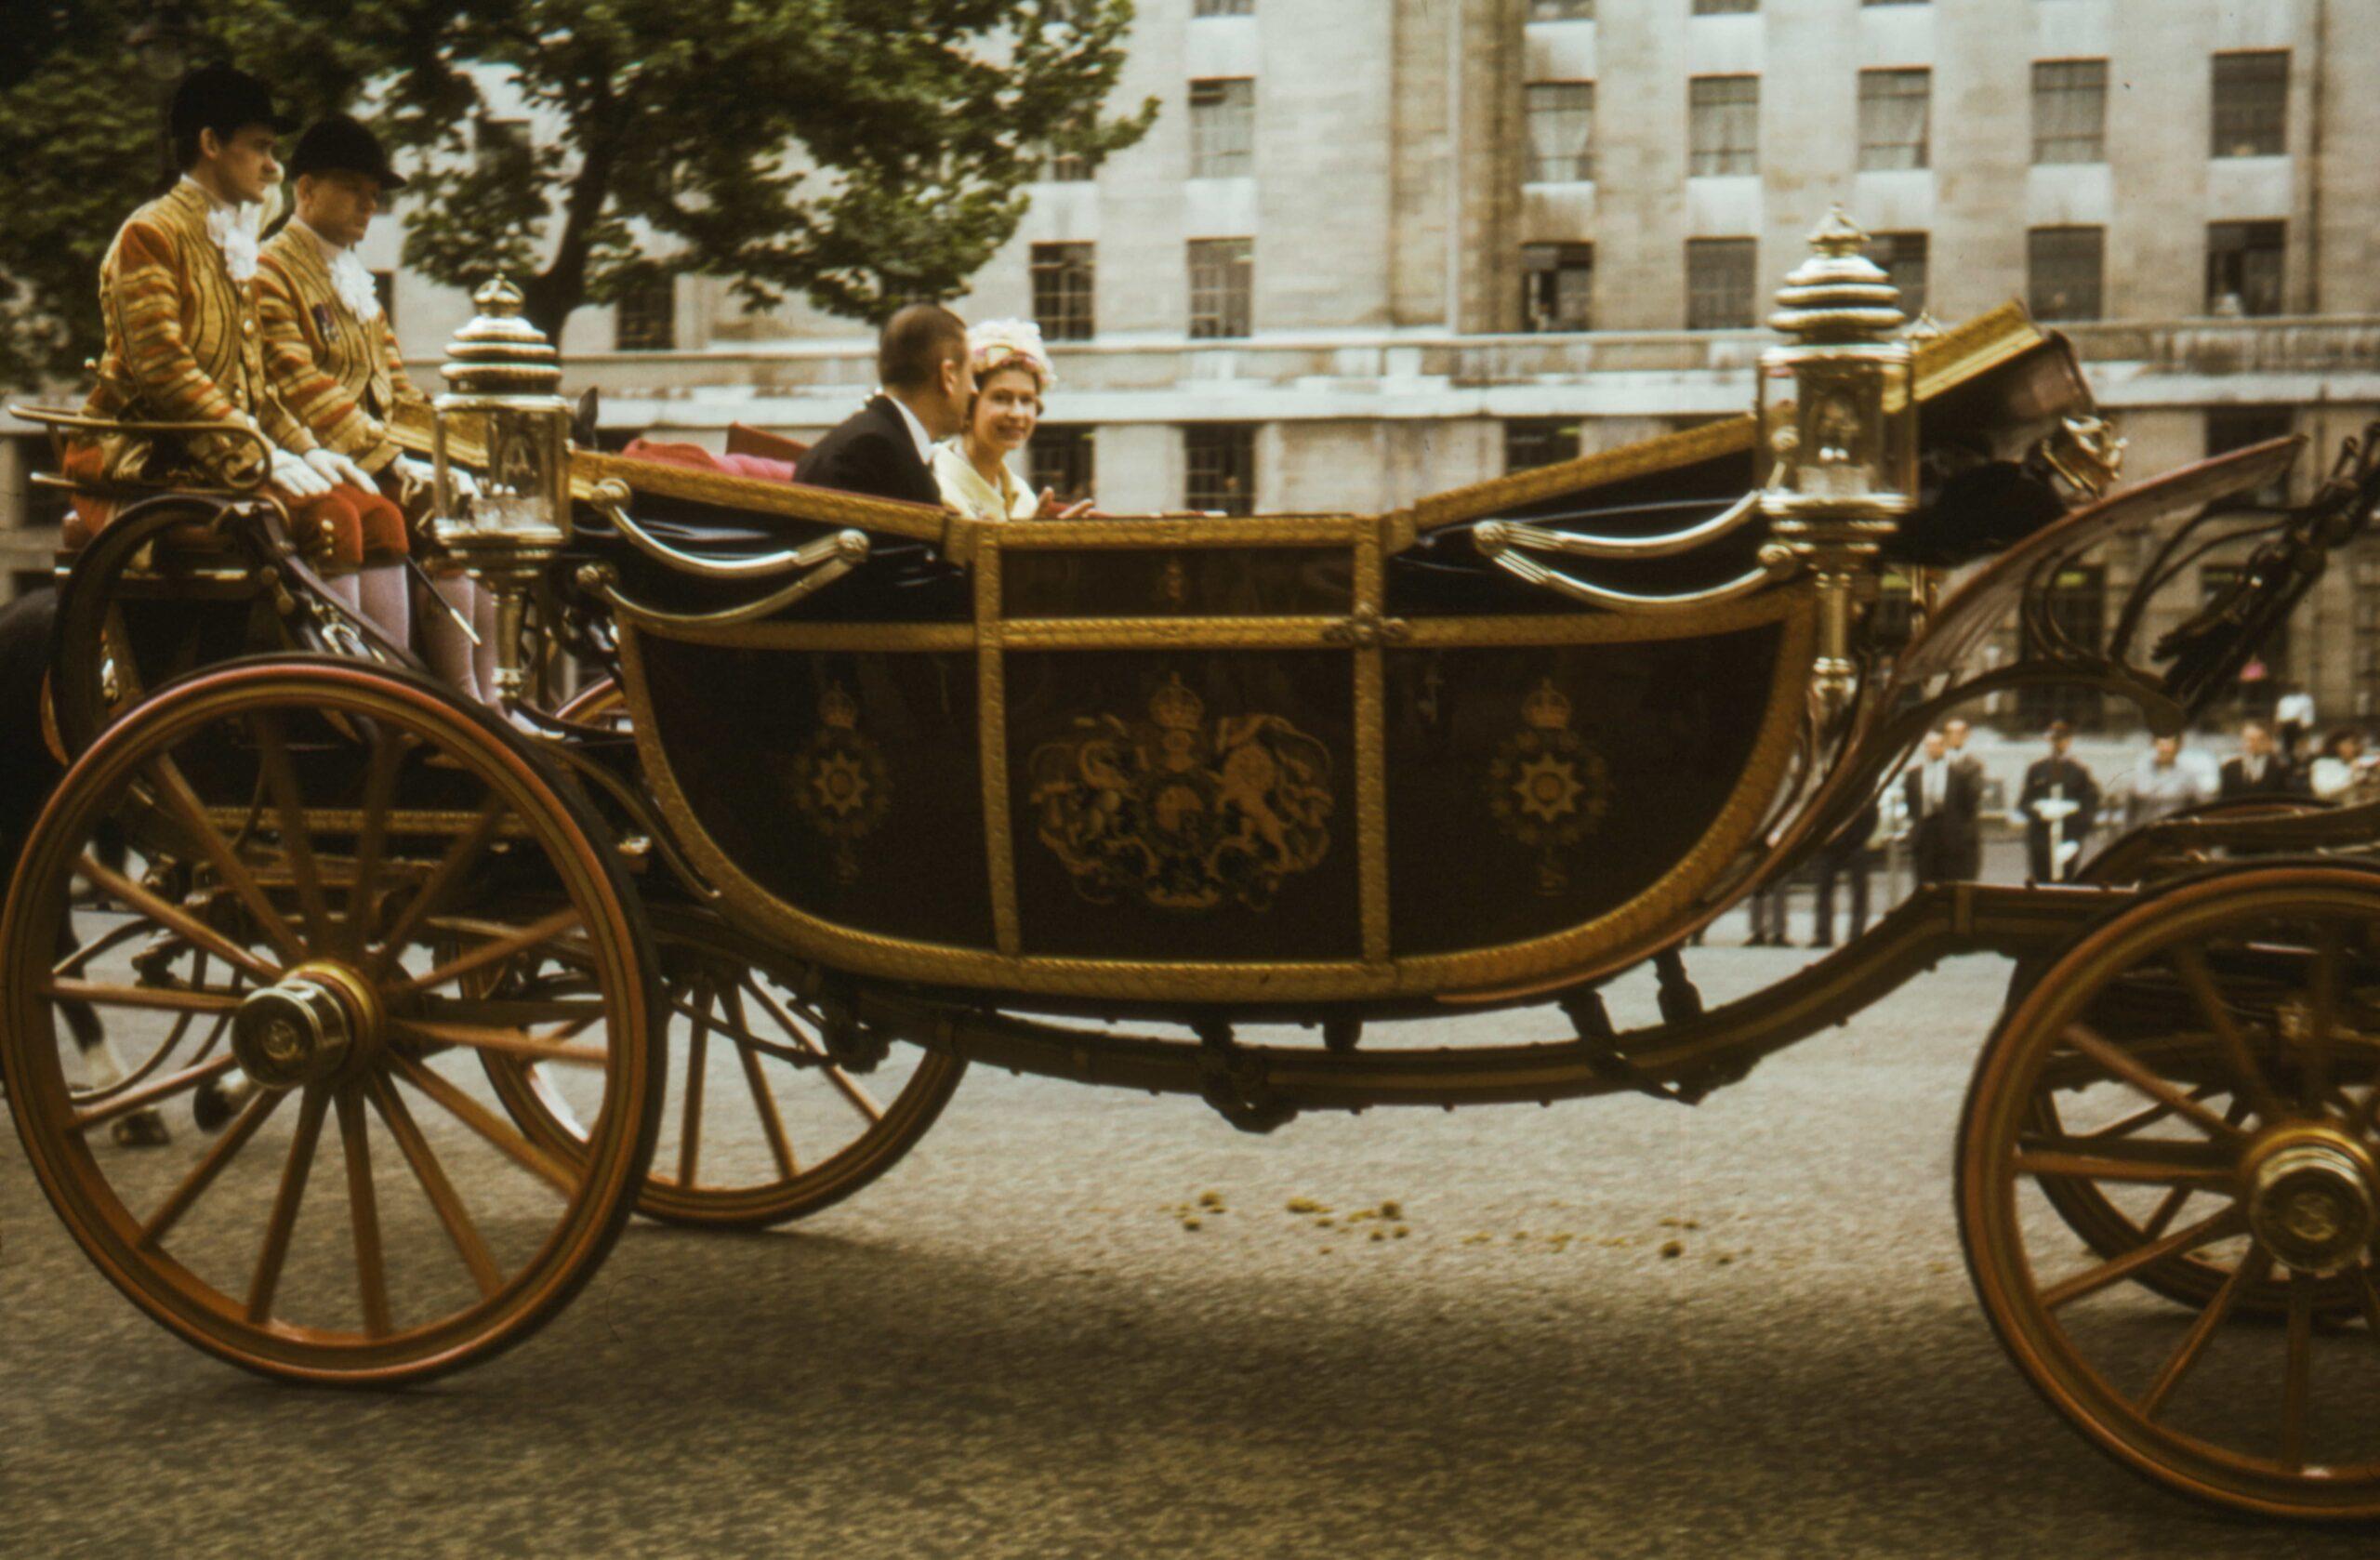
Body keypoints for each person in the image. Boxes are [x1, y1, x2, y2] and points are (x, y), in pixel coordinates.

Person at [62, 68, 392, 607]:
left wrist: (306, 448)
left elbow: (253, 383)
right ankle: (341, 691)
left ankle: (389, 688)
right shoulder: (151, 233)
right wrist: (258, 450)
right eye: (260, 147)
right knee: (331, 519)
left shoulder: (231, 239)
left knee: (378, 518)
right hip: (146, 461)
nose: (273, 166)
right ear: (210, 144)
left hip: (216, 455)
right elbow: (166, 373)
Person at [255, 113, 495, 697]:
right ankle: (426, 703)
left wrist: (457, 454)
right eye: (353, 190)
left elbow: (399, 393)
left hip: (370, 458)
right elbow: (301, 387)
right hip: (314, 458)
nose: (368, 205)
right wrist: (394, 463)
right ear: (304, 190)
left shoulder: (355, 280)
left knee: (479, 513)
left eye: (373, 194)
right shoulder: (270, 270)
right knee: (420, 513)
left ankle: (485, 701)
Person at [794, 304, 973, 506]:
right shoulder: (874, 454)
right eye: (970, 374)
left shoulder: (872, 441)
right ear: (948, 376)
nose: (973, 389)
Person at [930, 318, 1092, 523]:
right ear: (969, 404)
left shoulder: (1022, 494)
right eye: (1001, 398)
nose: (1017, 414)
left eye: (1026, 400)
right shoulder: (936, 482)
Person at [2017, 721, 2100, 882]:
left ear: (2069, 741)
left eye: (2062, 739)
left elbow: (2089, 806)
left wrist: (2075, 837)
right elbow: (2024, 803)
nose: (2058, 744)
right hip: (2041, 838)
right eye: (2054, 739)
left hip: (2067, 837)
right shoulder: (2037, 769)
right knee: (2041, 882)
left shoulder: (2079, 771)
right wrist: (2041, 812)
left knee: (2066, 882)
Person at [1904, 730, 1982, 887]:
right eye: (1929, 745)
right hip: (1924, 832)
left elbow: (1967, 805)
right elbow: (1912, 804)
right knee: (1923, 881)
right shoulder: (1914, 775)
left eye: (1937, 744)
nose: (1933, 748)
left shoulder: (1958, 774)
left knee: (1948, 881)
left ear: (1944, 746)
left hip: (1949, 835)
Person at [1810, 799, 1879, 948]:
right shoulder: (1828, 788)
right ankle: (1823, 935)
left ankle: (1856, 934)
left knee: (1859, 891)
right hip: (1829, 846)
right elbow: (1816, 815)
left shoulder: (1865, 787)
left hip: (1855, 844)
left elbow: (1872, 815)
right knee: (1823, 890)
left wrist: (1857, 839)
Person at [2122, 734, 2212, 828]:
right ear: (2155, 744)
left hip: (2175, 835)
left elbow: (2199, 810)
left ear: (2177, 747)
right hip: (2145, 836)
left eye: (2169, 744)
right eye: (2161, 743)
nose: (2165, 749)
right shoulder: (2140, 774)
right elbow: (2130, 813)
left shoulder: (2187, 776)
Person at [2219, 721, 2296, 799]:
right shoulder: (2230, 768)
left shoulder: (2281, 769)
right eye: (2248, 739)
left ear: (2269, 742)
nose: (2252, 744)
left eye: (2259, 739)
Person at [2309, 727, 2379, 803]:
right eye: (2353, 743)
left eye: (2359, 743)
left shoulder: (2359, 763)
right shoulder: (2322, 764)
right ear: (2337, 746)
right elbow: (2323, 791)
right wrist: (2352, 774)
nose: (2357, 748)